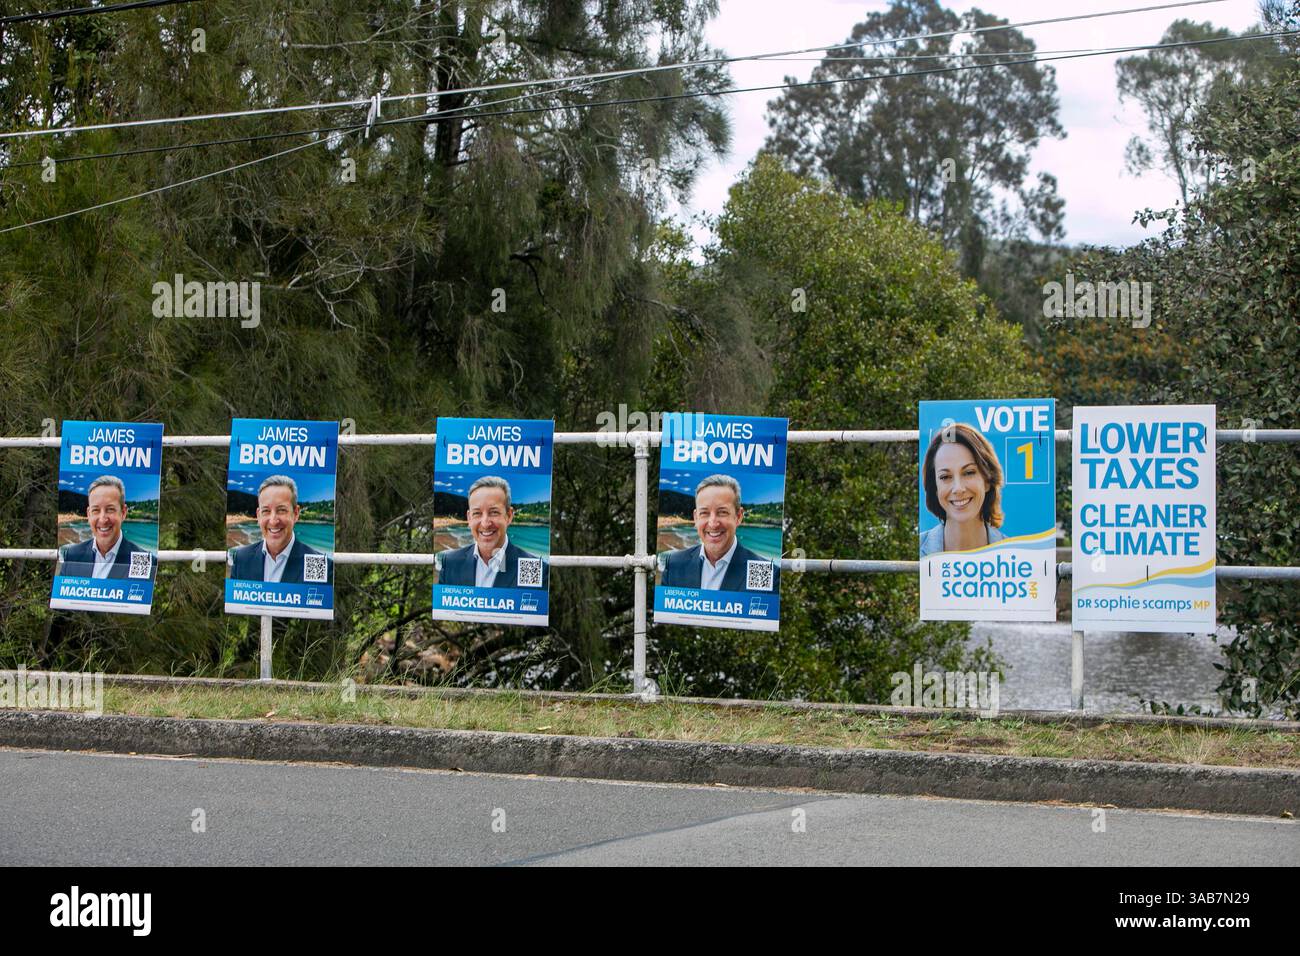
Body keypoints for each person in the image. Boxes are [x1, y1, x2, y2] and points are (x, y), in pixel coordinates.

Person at [661, 474, 779, 591]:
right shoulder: (674, 564)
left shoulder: (763, 572)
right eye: (704, 513)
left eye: (722, 512)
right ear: (696, 518)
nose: (713, 523)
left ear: (738, 516)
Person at [438, 476, 548, 589]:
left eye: (494, 512)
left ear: (509, 516)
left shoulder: (531, 567)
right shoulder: (450, 563)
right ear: (469, 518)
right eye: (477, 513)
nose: (485, 523)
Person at [919, 423, 1006, 556]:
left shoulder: (1018, 554)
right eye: (945, 477)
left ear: (987, 480)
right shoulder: (915, 550)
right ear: (935, 488)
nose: (958, 489)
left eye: (969, 472)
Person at [229, 475, 333, 584]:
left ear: (296, 513)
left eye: (281, 510)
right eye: (266, 511)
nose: (273, 521)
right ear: (258, 515)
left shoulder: (318, 564)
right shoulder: (241, 558)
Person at [57, 475, 153, 579]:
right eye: (96, 510)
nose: (103, 519)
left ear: (123, 512)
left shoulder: (143, 560)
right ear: (89, 514)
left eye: (110, 509)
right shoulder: (72, 555)